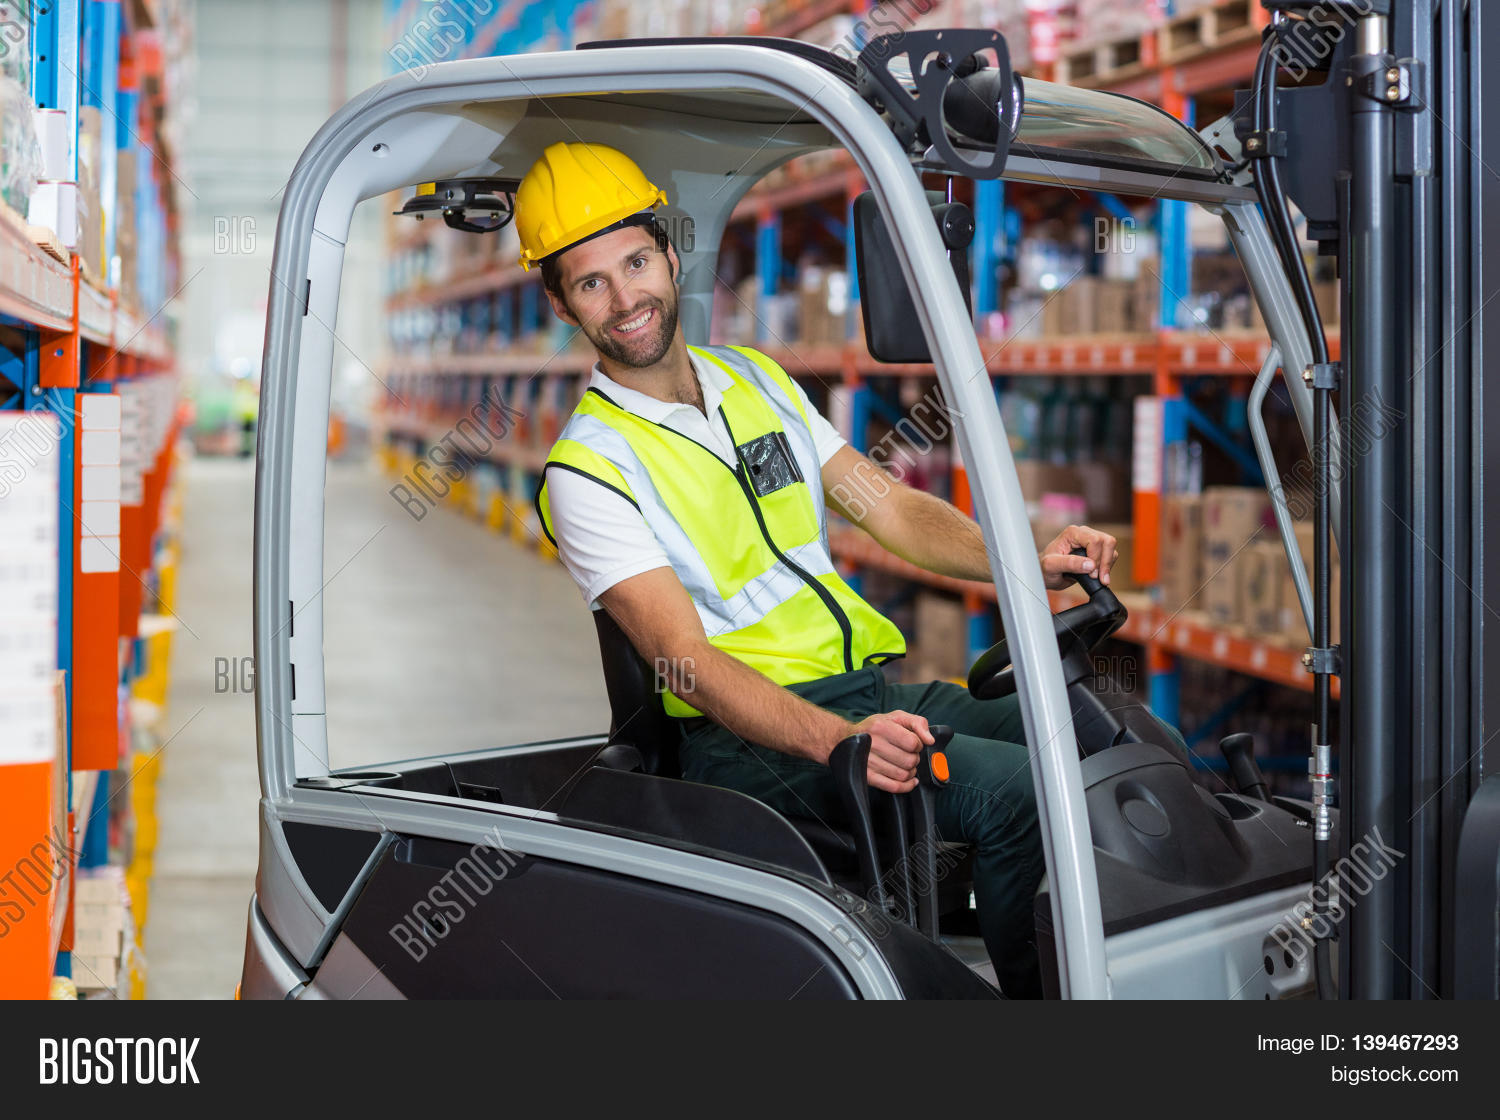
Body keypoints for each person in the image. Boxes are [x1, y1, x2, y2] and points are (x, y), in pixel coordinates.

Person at [524, 141, 1118, 998]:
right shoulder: (589, 469)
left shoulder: (753, 378)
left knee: (1095, 741)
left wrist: (1027, 557)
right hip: (751, 740)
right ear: (561, 302)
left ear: (669, 253)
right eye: (591, 283)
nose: (626, 300)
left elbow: (891, 507)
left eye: (636, 262)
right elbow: (680, 658)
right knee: (1021, 794)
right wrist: (838, 744)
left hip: (866, 691)